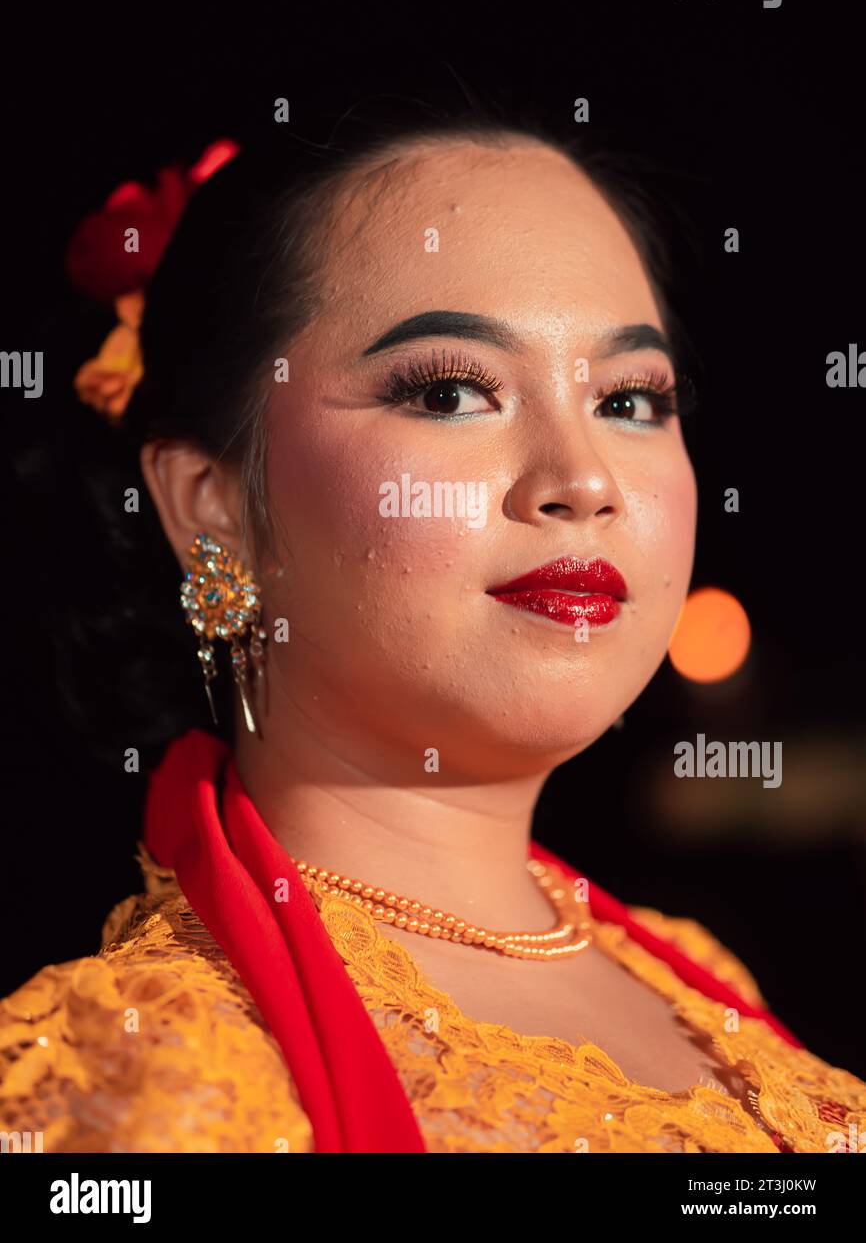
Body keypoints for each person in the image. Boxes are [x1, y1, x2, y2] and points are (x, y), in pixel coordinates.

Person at [2, 104, 863, 1154]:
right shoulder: (134, 1076)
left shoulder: (703, 978)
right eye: (452, 390)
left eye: (630, 398)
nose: (582, 480)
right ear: (209, 504)